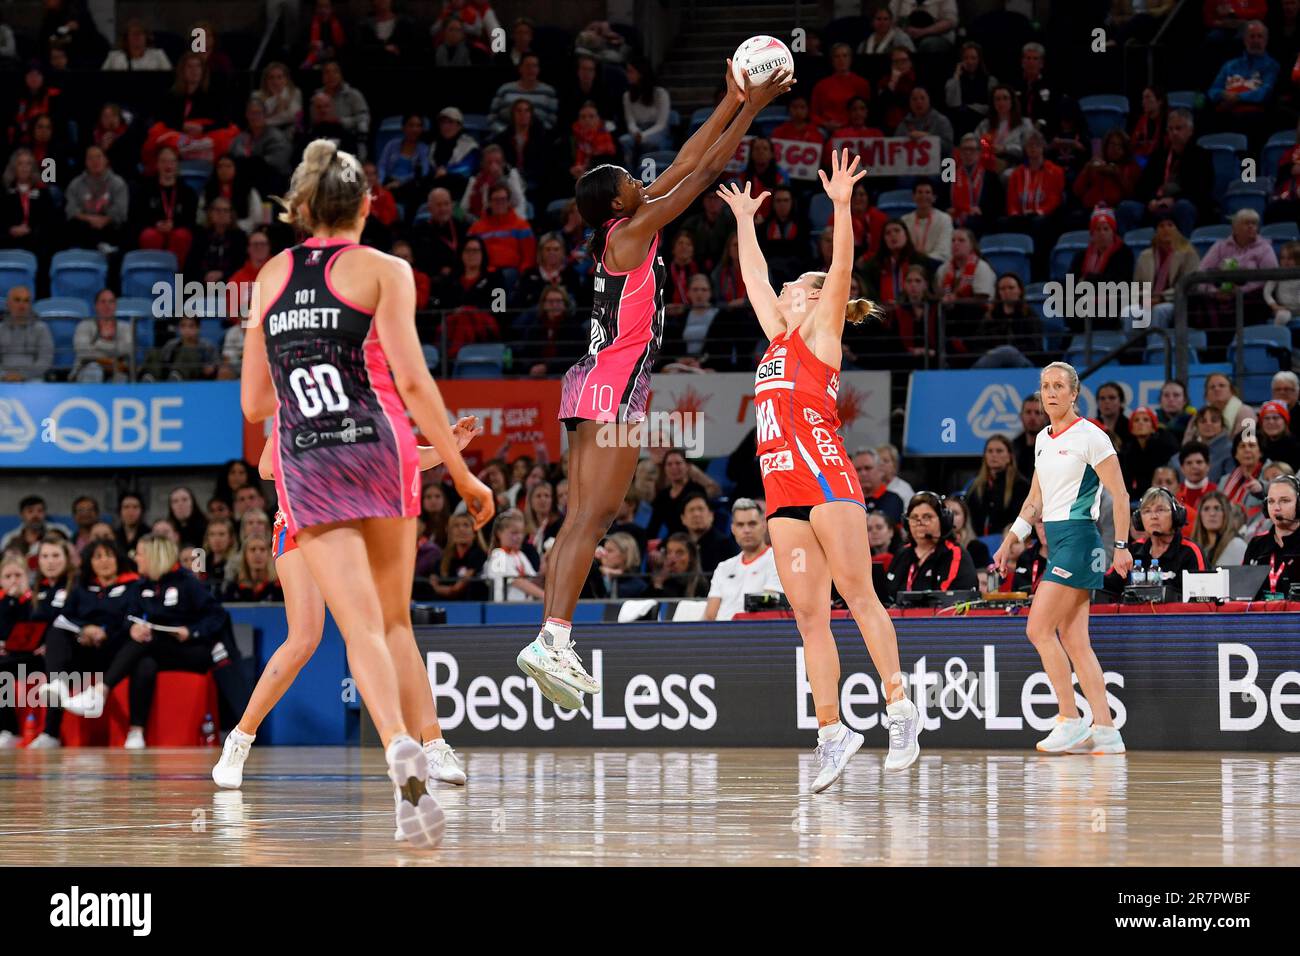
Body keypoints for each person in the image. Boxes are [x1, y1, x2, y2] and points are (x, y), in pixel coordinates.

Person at [238, 139, 494, 848]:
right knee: (391, 621)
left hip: (308, 458)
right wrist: (463, 471)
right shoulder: (386, 270)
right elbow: (413, 384)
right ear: (367, 205)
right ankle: (419, 745)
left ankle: (397, 750)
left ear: (303, 206)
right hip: (380, 450)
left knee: (356, 630)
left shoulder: (270, 276)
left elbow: (257, 401)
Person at [514, 62, 792, 709]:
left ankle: (551, 637)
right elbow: (699, 175)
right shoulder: (636, 228)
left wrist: (727, 97)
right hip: (612, 387)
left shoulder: (626, 225)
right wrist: (752, 112)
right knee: (595, 516)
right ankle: (554, 638)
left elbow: (687, 159)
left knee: (582, 516)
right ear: (617, 202)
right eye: (631, 182)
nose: (643, 182)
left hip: (590, 382)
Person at [718, 148, 921, 790]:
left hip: (828, 479)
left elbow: (841, 267)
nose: (779, 293)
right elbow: (753, 279)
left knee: (858, 596)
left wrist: (839, 205)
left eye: (790, 289)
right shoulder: (777, 338)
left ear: (810, 301)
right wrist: (746, 222)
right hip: (781, 492)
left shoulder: (821, 334)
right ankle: (832, 731)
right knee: (809, 617)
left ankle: (901, 707)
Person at [992, 362, 1133, 755]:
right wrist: (1011, 540)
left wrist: (1120, 546)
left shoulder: (1093, 437)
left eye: (1058, 386)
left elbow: (1120, 496)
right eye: (1045, 386)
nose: (1050, 393)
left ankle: (1070, 719)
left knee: (1038, 630)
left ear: (1074, 394)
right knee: (1075, 640)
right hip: (1058, 541)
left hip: (1079, 540)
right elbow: (1034, 501)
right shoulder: (1041, 439)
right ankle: (1106, 730)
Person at [61, 533, 220, 749]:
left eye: (141, 554)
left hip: (191, 650)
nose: (136, 558)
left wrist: (191, 631)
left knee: (146, 644)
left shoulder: (187, 582)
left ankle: (100, 691)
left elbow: (217, 616)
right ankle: (136, 732)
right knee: (144, 662)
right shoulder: (140, 586)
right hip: (157, 649)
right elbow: (127, 617)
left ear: (154, 556)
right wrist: (133, 627)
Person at [1104, 487, 1205, 593]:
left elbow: (1202, 596)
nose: (1153, 516)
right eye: (1147, 511)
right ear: (1139, 519)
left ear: (1176, 515)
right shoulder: (1133, 550)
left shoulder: (1190, 552)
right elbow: (1108, 585)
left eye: (1160, 510)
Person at [885, 492, 979, 603]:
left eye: (927, 517)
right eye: (914, 518)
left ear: (943, 521)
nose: (920, 523)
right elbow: (887, 596)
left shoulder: (955, 553)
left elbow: (953, 600)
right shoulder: (902, 553)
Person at [702, 499, 781, 621]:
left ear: (764, 526)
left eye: (752, 524)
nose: (747, 530)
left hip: (754, 633)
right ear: (733, 529)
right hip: (719, 635)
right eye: (740, 525)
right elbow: (709, 615)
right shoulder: (723, 567)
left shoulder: (777, 561)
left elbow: (769, 607)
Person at [1241, 475, 1300, 597]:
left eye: (1284, 500)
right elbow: (1243, 593)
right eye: (1271, 501)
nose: (1276, 508)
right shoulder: (1257, 544)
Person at [966, 435, 1030, 536]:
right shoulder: (975, 486)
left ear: (1009, 457)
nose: (994, 455)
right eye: (990, 451)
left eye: (999, 451)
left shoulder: (1021, 486)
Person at [0, 285, 53, 382]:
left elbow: (45, 360)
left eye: (26, 301)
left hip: (33, 378)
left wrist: (23, 375)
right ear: (8, 303)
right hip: (3, 377)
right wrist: (3, 375)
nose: (22, 305)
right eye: (17, 300)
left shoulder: (41, 328)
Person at [1189, 489, 1247, 567]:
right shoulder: (1193, 548)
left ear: (1226, 513)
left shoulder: (1237, 545)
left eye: (1217, 508)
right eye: (1206, 509)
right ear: (1200, 515)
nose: (1212, 514)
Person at [901, 179, 953, 264]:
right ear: (913, 197)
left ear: (934, 198)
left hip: (936, 265)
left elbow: (943, 252)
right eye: (920, 192)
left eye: (927, 192)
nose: (923, 196)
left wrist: (922, 260)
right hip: (911, 266)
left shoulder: (945, 219)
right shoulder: (904, 220)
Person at [852, 448, 905, 524]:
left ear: (881, 470)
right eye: (858, 470)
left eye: (868, 468)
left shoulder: (893, 500)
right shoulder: (849, 502)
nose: (863, 473)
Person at [1012, 392, 1047, 478]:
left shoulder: (1054, 446)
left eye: (1037, 413)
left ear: (1046, 417)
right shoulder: (1013, 448)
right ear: (1021, 416)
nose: (1032, 417)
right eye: (1028, 412)